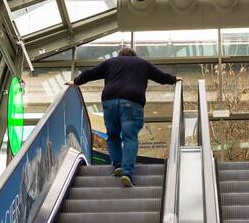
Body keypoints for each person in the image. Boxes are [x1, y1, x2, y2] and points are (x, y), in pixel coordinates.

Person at [69, 48, 176, 186]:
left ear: (120, 55)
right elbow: (161, 77)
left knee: (112, 135)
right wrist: (174, 79)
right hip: (132, 102)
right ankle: (127, 173)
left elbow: (91, 73)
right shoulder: (142, 64)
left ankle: (118, 165)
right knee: (129, 137)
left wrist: (76, 81)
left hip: (110, 101)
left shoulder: (110, 62)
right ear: (134, 56)